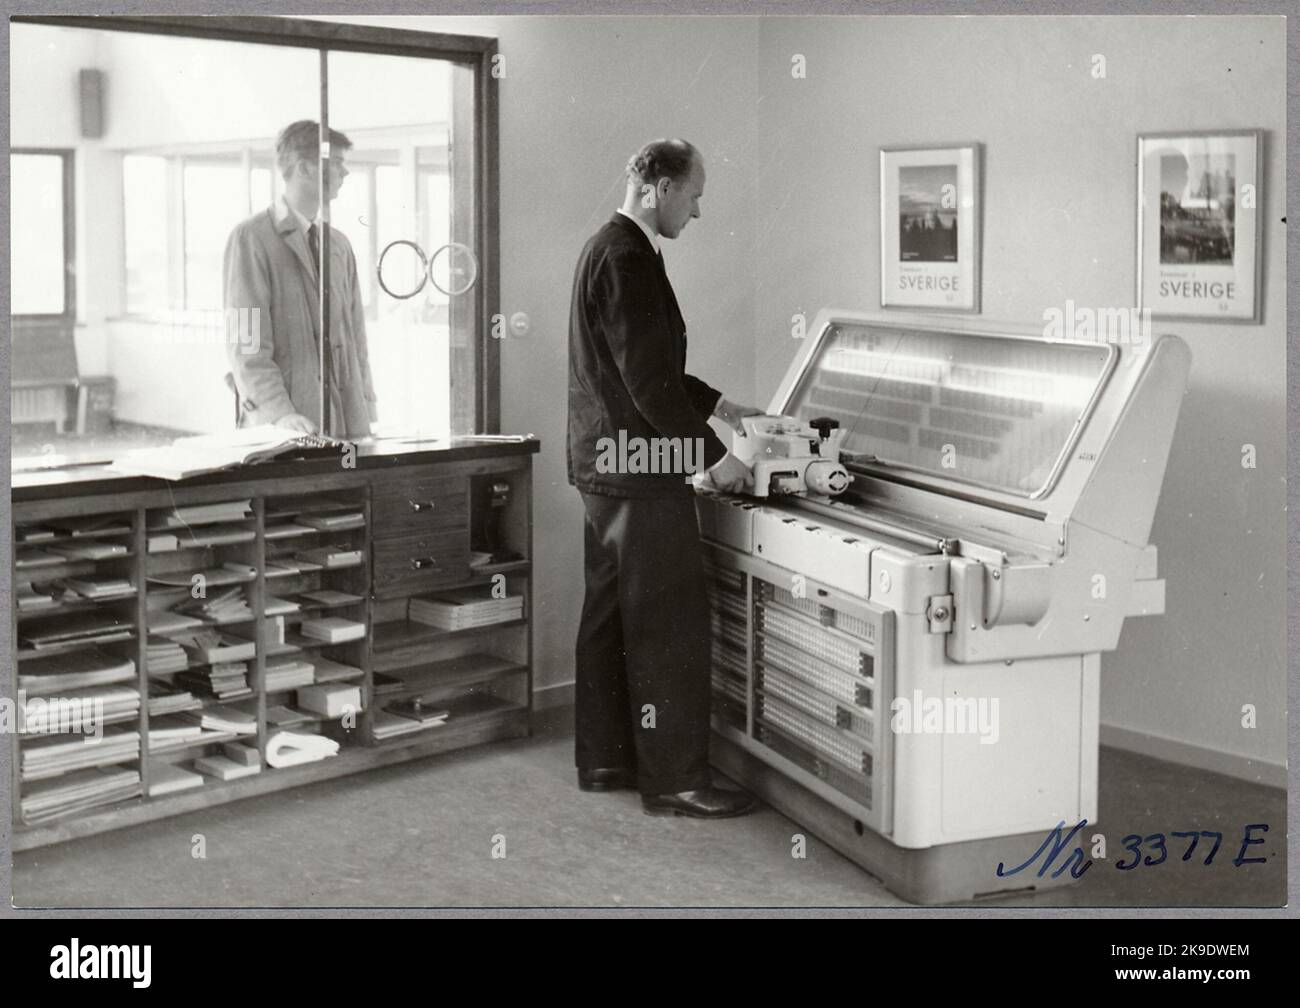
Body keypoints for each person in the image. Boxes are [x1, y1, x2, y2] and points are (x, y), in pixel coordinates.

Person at [567, 138, 761, 818]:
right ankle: (677, 778)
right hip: (640, 472)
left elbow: (642, 368)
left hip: (606, 466)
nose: (699, 211)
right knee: (669, 621)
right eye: (695, 194)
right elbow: (648, 384)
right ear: (659, 188)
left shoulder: (610, 247)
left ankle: (606, 759)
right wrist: (716, 458)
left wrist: (718, 403)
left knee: (610, 614)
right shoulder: (628, 257)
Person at [224, 120, 376, 438]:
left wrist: (366, 408)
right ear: (305, 168)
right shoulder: (251, 239)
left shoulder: (338, 245)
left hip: (345, 425)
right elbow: (247, 346)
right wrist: (280, 415)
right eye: (336, 163)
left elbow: (356, 341)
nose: (344, 173)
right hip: (285, 431)